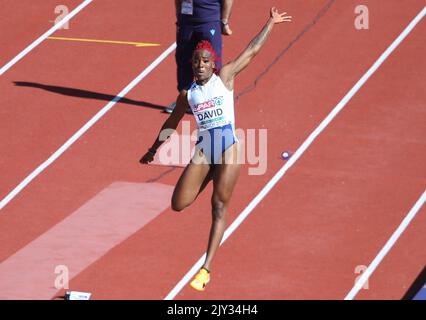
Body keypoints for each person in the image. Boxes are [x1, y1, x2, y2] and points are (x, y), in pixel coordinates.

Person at [141, 7, 292, 291]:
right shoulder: (188, 94)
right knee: (178, 204)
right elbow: (172, 122)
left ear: (213, 64)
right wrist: (154, 149)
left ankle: (206, 269)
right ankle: (207, 176)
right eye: (197, 61)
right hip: (205, 150)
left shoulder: (225, 78)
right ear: (192, 63)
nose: (200, 65)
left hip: (227, 150)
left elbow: (251, 52)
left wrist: (270, 23)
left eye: (205, 61)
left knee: (219, 207)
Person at [165, 0, 235, 114]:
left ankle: (212, 102)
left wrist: (224, 21)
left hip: (208, 21)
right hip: (186, 22)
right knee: (183, 60)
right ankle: (185, 101)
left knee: (212, 62)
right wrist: (179, 16)